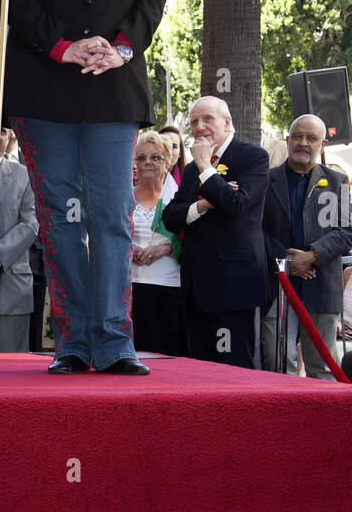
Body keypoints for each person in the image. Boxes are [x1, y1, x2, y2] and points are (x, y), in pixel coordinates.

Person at [5, 0, 170, 376]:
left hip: (113, 88)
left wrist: (121, 47)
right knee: (60, 215)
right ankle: (73, 340)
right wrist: (62, 46)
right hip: (45, 86)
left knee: (110, 214)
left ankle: (114, 339)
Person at [163, 96, 269, 370]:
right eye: (194, 121)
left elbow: (235, 204)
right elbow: (171, 218)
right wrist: (203, 204)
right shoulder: (190, 169)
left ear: (227, 122)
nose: (200, 127)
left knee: (233, 367)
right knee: (198, 368)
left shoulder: (252, 157)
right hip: (196, 284)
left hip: (233, 286)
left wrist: (206, 169)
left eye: (207, 119)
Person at [261, 114, 352, 377]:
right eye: (297, 137)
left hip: (321, 284)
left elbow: (347, 230)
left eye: (311, 138)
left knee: (321, 367)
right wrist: (286, 260)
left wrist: (312, 255)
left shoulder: (338, 181)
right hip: (277, 284)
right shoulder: (267, 180)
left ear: (322, 144)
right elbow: (256, 229)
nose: (303, 143)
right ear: (287, 140)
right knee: (276, 362)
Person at [130, 130, 181, 356]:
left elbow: (192, 241)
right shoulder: (125, 198)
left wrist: (165, 249)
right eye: (142, 157)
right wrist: (128, 250)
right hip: (129, 287)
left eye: (155, 157)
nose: (148, 162)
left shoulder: (178, 199)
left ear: (167, 163)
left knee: (164, 353)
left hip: (168, 286)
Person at [0, 128, 39, 352]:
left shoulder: (25, 175)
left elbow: (31, 223)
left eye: (1, 131)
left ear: (9, 137)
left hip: (9, 286)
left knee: (8, 369)